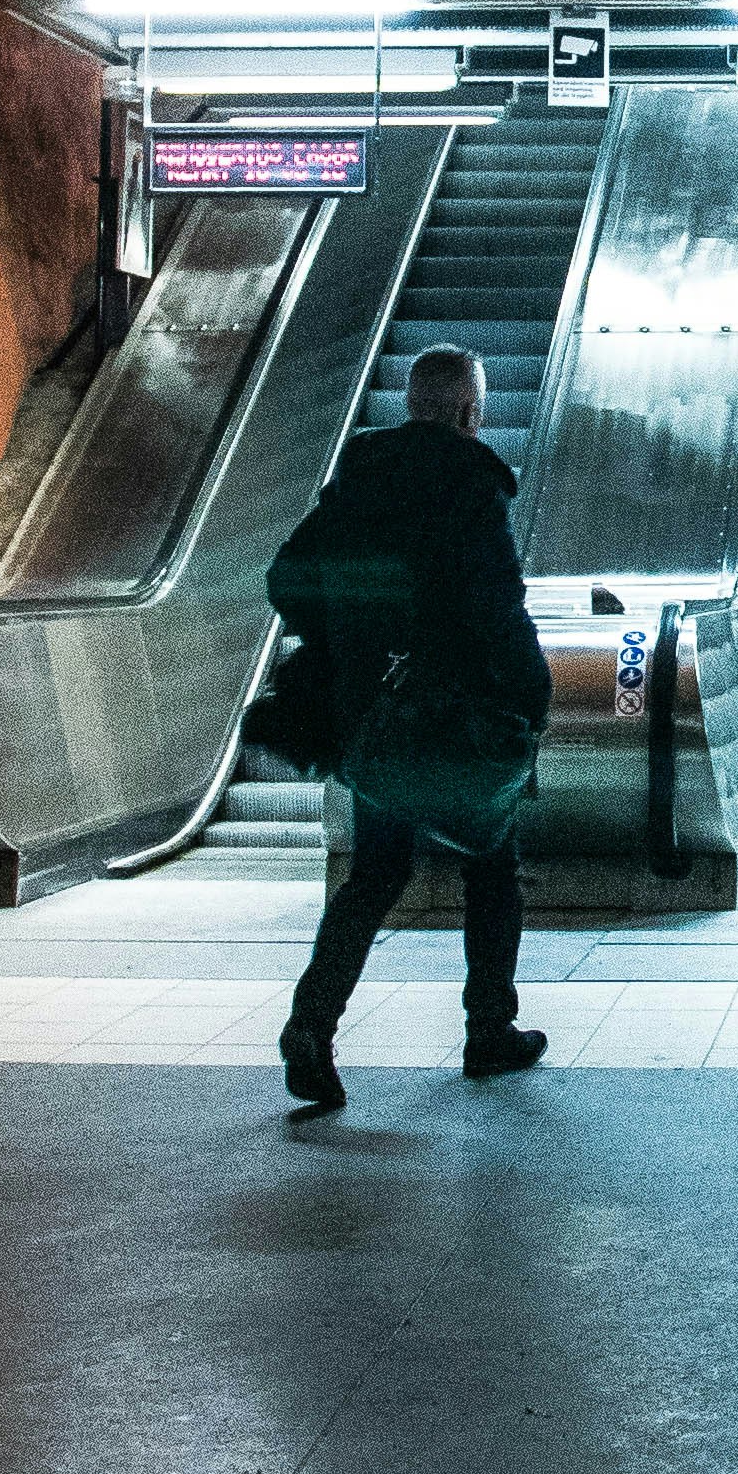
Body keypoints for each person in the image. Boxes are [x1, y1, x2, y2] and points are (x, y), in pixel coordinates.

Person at [267, 344, 556, 1113]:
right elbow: (499, 610)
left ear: (410, 405)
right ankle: (488, 1030)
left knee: (375, 874)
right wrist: (532, 698)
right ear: (469, 410)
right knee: (491, 865)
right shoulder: (471, 483)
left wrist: (353, 644)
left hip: (375, 721)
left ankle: (310, 1027)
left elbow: (284, 577)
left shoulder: (360, 476)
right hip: (454, 718)